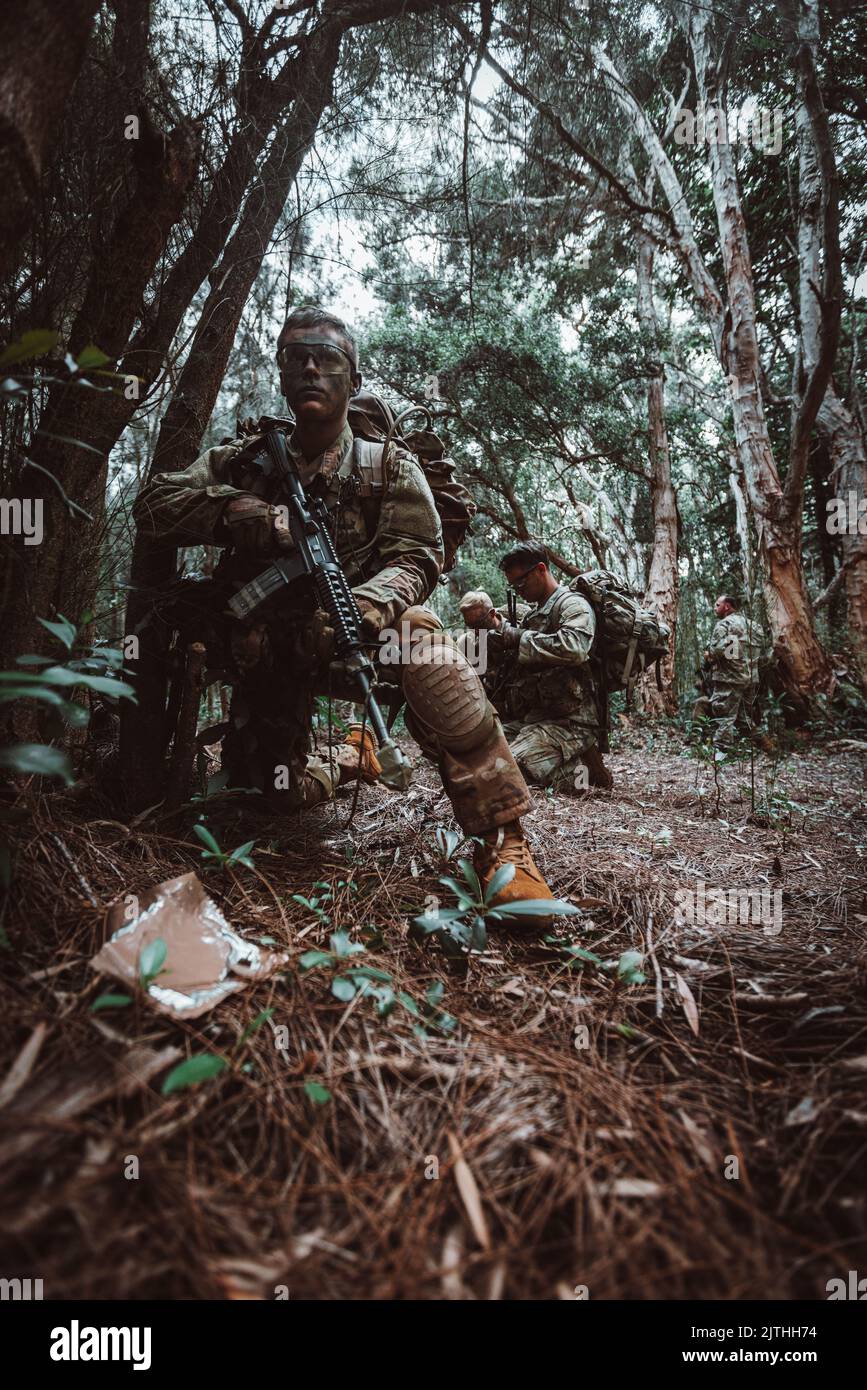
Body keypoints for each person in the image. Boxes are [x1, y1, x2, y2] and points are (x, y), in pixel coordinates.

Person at [132, 306, 554, 909]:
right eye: (296, 356)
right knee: (269, 796)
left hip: (356, 638)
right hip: (269, 648)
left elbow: (419, 556)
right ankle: (344, 764)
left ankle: (504, 840)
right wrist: (229, 511)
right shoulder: (244, 460)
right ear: (281, 373)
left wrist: (368, 605)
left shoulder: (387, 467)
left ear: (351, 379)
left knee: (426, 643)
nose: (310, 367)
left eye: (327, 358)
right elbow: (152, 506)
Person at [487, 540, 612, 793]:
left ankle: (584, 773)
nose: (518, 591)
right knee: (479, 751)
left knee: (507, 770)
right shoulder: (533, 615)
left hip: (571, 722)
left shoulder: (572, 605)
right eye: (513, 586)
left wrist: (519, 637)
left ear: (541, 569)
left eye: (521, 583)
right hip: (536, 718)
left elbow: (575, 647)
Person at [704, 594, 760, 745]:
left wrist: (709, 655)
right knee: (744, 717)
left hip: (730, 679)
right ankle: (764, 746)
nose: (715, 608)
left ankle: (722, 752)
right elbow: (736, 651)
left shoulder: (725, 624)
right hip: (751, 678)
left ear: (726, 606)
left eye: (717, 605)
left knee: (724, 717)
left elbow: (719, 652)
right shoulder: (753, 625)